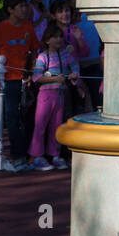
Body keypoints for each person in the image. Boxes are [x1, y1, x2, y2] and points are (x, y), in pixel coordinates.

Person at [0, 0, 39, 172]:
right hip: (7, 80)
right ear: (10, 9)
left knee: (29, 118)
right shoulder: (1, 28)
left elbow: (34, 51)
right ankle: (18, 156)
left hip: (25, 80)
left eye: (26, 6)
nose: (25, 9)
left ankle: (30, 154)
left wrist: (32, 72)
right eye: (21, 6)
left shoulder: (28, 27)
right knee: (12, 118)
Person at [28, 19, 79, 170]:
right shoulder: (43, 56)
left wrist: (75, 74)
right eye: (55, 37)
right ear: (47, 40)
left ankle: (55, 155)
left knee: (57, 126)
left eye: (60, 37)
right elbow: (37, 77)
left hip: (60, 95)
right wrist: (56, 78)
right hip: (46, 96)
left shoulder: (65, 54)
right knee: (40, 126)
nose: (58, 39)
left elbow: (75, 65)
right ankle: (37, 157)